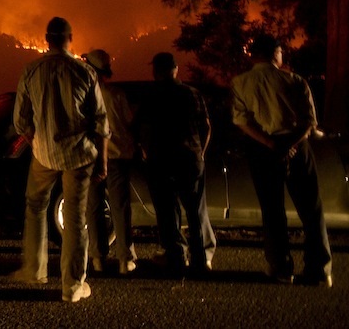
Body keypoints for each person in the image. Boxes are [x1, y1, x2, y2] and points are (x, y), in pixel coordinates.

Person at [12, 17, 108, 303]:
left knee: (35, 205)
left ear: (45, 38)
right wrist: (102, 160)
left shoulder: (31, 70)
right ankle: (72, 286)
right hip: (79, 155)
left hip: (43, 154)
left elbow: (20, 121)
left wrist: (37, 141)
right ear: (71, 37)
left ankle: (35, 269)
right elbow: (101, 121)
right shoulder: (84, 71)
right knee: (76, 221)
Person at [231, 35, 332, 286]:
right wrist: (291, 145)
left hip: (264, 150)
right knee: (311, 208)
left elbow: (242, 121)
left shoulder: (240, 83)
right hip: (298, 148)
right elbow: (309, 122)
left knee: (272, 210)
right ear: (276, 53)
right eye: (280, 51)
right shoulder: (295, 80)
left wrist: (272, 145)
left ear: (254, 55)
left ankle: (281, 268)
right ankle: (319, 270)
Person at [136, 52, 215, 277]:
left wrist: (146, 151)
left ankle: (176, 257)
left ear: (155, 71)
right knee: (195, 210)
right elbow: (206, 126)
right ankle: (201, 260)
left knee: (167, 211)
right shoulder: (192, 93)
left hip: (161, 161)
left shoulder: (151, 96)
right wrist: (201, 151)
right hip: (191, 159)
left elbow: (142, 127)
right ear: (176, 69)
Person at [82, 49, 138, 275]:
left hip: (92, 158)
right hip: (118, 157)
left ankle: (97, 258)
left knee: (93, 208)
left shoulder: (84, 97)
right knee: (120, 207)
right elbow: (129, 123)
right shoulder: (116, 95)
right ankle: (125, 260)